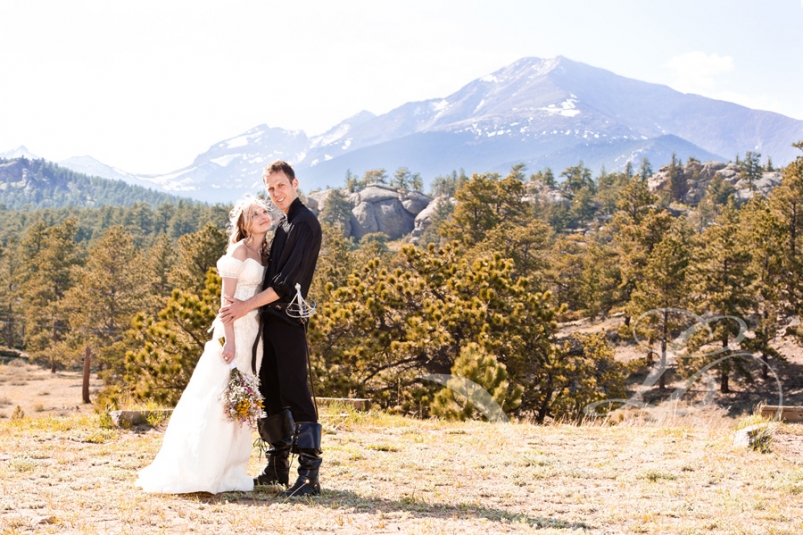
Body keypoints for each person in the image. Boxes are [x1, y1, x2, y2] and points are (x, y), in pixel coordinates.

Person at [136, 196, 272, 494]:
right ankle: (205, 470)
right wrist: (231, 342)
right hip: (235, 332)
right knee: (220, 398)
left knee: (241, 398)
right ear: (245, 222)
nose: (264, 215)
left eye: (265, 211)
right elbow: (227, 302)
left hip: (254, 334)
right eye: (256, 213)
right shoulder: (238, 250)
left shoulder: (264, 251)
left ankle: (231, 470)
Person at [219, 160, 322, 497]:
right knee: (271, 392)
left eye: (282, 185)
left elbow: (285, 282)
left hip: (289, 322)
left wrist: (243, 307)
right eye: (271, 189)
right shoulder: (284, 225)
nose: (277, 193)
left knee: (296, 393)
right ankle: (277, 466)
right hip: (269, 325)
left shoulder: (305, 224)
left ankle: (309, 475)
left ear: (295, 184)